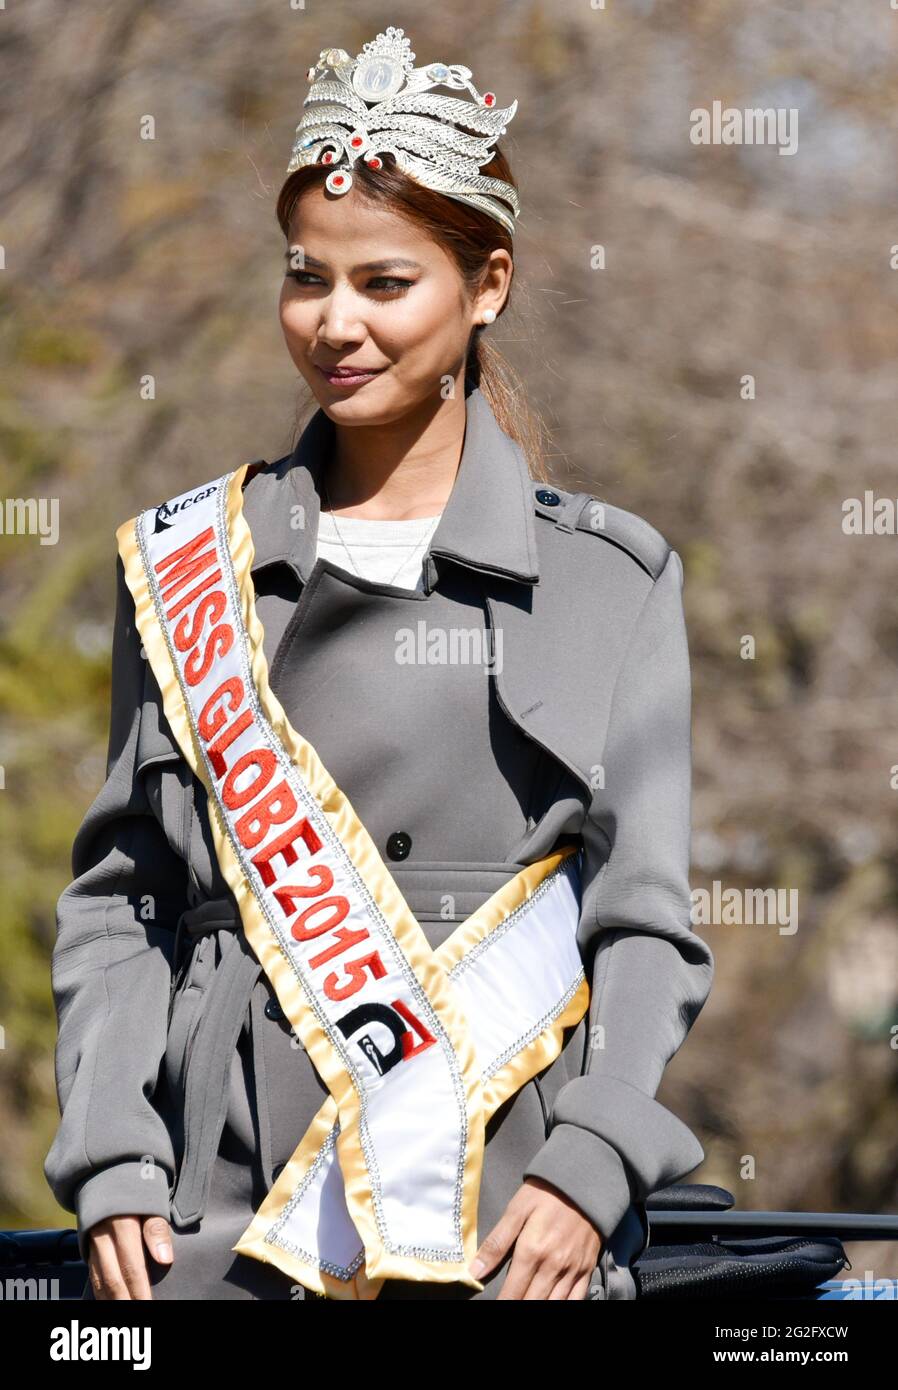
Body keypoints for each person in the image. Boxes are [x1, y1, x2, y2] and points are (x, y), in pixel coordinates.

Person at [44, 25, 714, 1301]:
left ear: (488, 286)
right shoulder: (190, 564)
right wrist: (113, 1154)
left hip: (509, 1222)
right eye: (307, 278)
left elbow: (646, 920)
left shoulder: (608, 580)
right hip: (217, 1218)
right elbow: (120, 902)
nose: (334, 323)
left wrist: (594, 1166)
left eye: (385, 283)